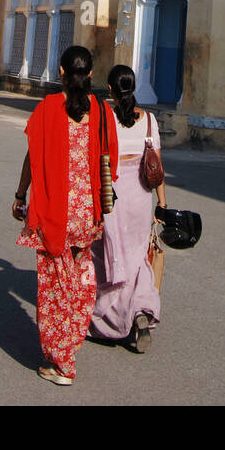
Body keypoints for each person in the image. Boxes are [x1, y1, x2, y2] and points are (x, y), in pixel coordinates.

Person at [13, 45, 118, 385]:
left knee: (55, 285)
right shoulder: (101, 111)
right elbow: (111, 163)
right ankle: (72, 338)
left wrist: (20, 195)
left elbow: (33, 157)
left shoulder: (47, 108)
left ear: (60, 72)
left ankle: (62, 363)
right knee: (79, 274)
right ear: (90, 74)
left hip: (55, 211)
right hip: (87, 213)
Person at [90, 64, 167, 353]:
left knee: (111, 258)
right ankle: (141, 310)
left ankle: (109, 321)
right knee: (138, 257)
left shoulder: (105, 119)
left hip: (112, 197)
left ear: (110, 88)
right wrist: (162, 203)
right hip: (141, 198)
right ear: (133, 87)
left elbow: (97, 160)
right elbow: (157, 166)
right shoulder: (149, 121)